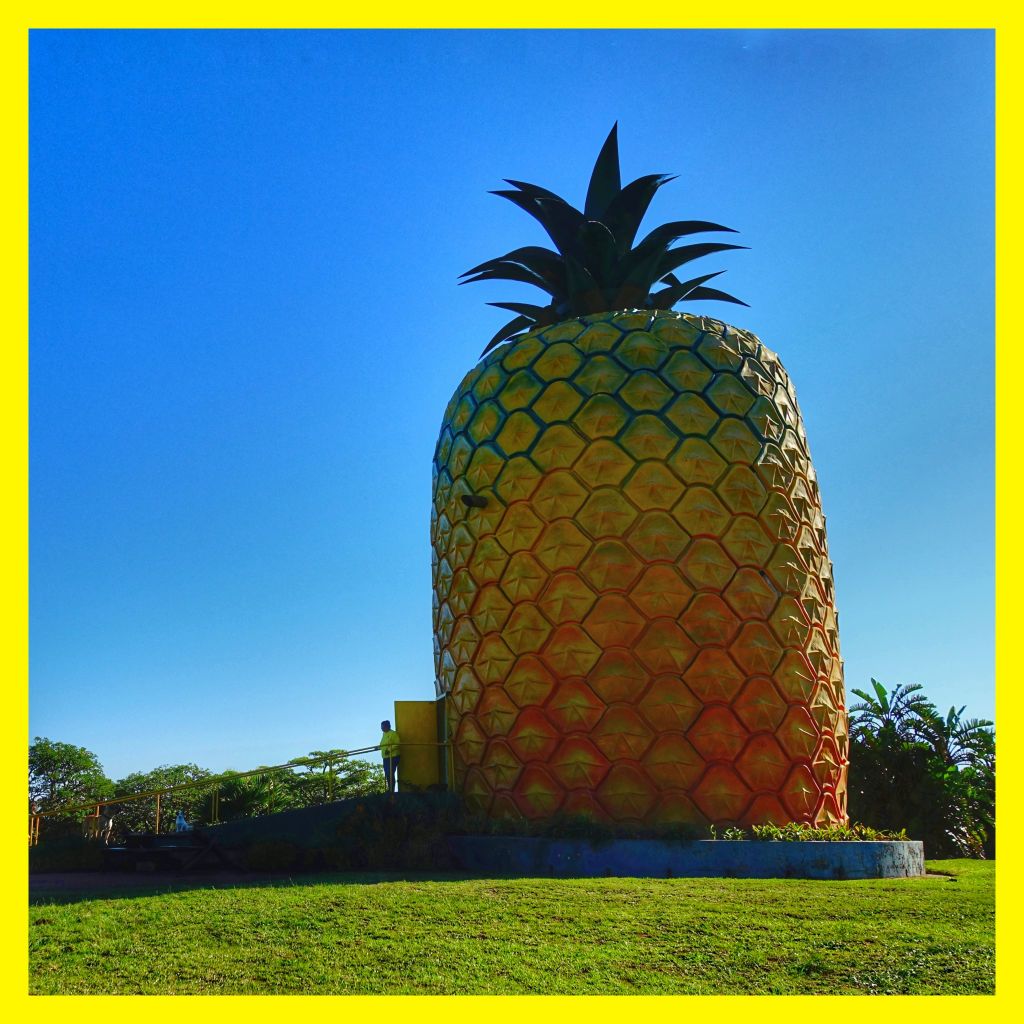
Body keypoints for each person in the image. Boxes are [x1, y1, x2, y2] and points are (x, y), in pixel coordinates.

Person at [380, 719, 401, 794]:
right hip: (386, 758)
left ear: (387, 726)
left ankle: (391, 790)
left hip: (393, 757)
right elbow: (383, 744)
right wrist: (378, 747)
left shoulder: (393, 733)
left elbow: (397, 744)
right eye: (381, 727)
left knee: (390, 773)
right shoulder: (384, 734)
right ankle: (390, 789)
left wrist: (389, 750)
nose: (381, 728)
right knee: (387, 773)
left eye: (382, 727)